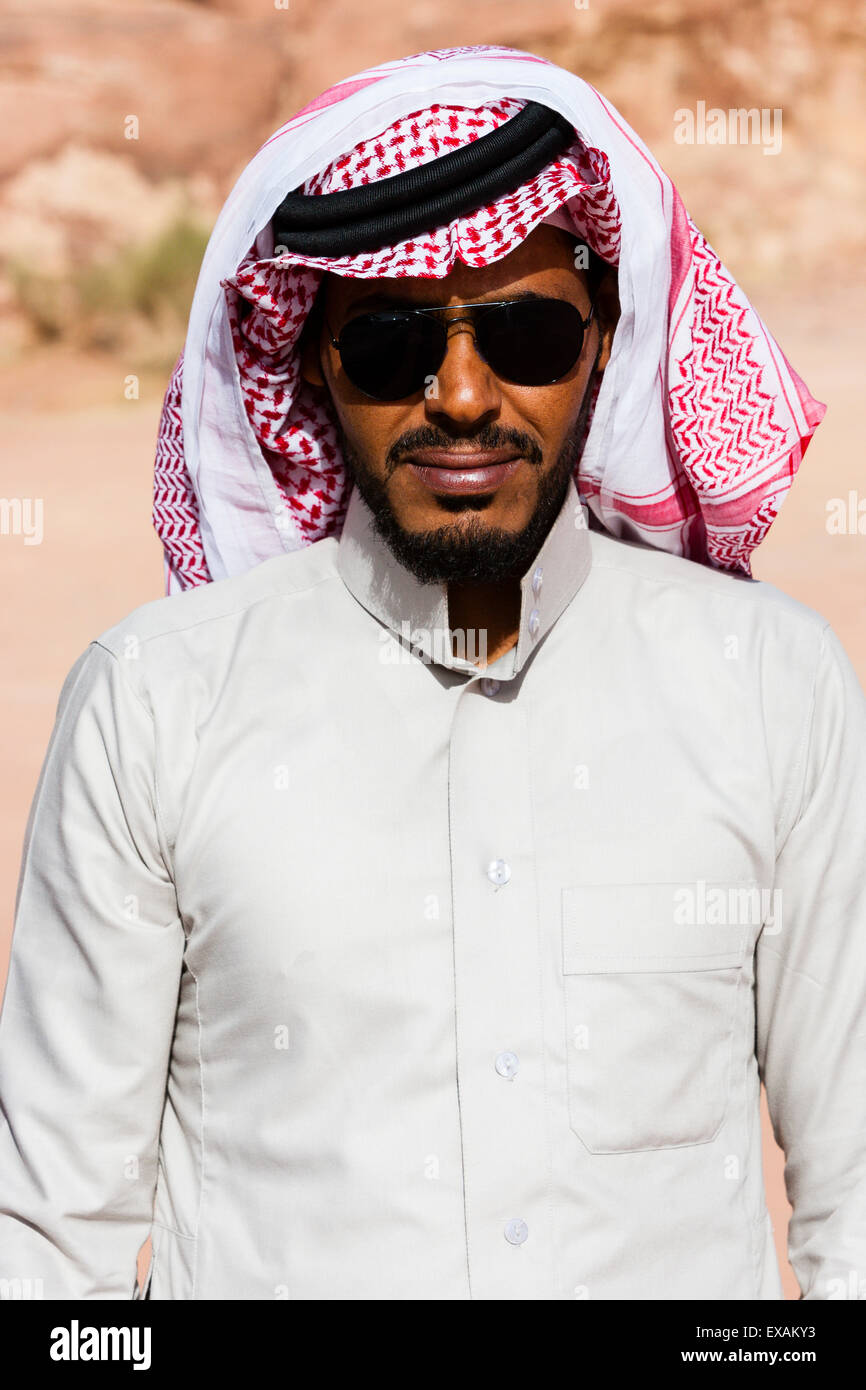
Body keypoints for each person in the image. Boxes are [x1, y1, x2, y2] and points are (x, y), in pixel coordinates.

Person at [1, 44, 864, 1302]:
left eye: (523, 333)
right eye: (394, 346)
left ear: (602, 346)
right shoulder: (153, 705)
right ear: (309, 364)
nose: (462, 397)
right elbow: (46, 1245)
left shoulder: (769, 690)